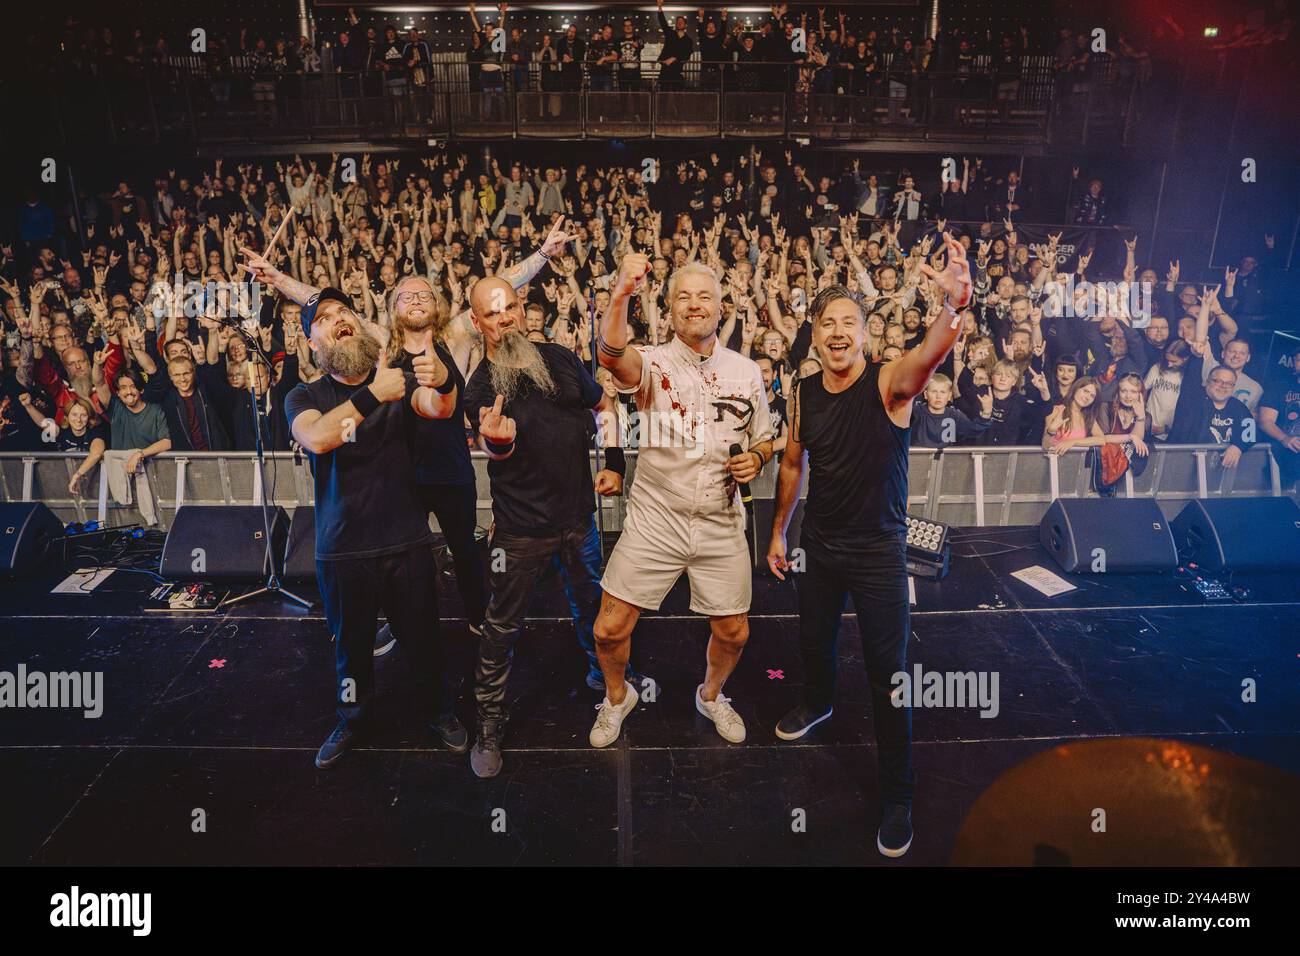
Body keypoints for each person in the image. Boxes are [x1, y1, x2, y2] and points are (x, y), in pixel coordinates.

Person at [766, 233, 973, 859]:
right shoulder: (801, 392)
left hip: (881, 553)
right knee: (812, 643)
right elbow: (793, 467)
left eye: (847, 322)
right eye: (826, 322)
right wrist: (779, 530)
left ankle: (898, 797)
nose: (836, 331)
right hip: (820, 547)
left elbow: (933, 351)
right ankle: (819, 704)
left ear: (863, 331)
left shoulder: (890, 383)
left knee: (890, 679)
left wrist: (955, 306)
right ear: (815, 332)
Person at [245, 239, 467, 768]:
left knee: (423, 639)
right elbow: (321, 438)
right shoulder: (303, 395)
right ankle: (353, 720)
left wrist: (443, 382)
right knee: (351, 649)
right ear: (313, 344)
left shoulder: (393, 376)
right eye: (324, 318)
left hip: (407, 540)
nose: (339, 319)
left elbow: (436, 408)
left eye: (345, 311)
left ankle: (440, 711)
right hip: (342, 548)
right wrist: (373, 396)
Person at [593, 256, 774, 748]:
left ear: (721, 307)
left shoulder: (744, 371)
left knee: (734, 631)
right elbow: (611, 355)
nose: (695, 305)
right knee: (609, 630)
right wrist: (621, 293)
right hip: (656, 518)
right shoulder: (652, 363)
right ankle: (616, 698)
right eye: (683, 297)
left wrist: (756, 459)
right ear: (669, 309)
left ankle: (711, 696)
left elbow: (765, 438)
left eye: (705, 296)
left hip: (721, 520)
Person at [461, 276, 628, 778]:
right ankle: (489, 722)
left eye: (510, 306)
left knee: (592, 604)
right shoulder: (480, 388)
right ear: (478, 322)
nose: (506, 317)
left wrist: (615, 461)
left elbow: (606, 407)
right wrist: (498, 443)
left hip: (579, 519)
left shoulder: (559, 357)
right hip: (518, 532)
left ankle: (606, 677)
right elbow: (495, 448)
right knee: (501, 626)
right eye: (492, 313)